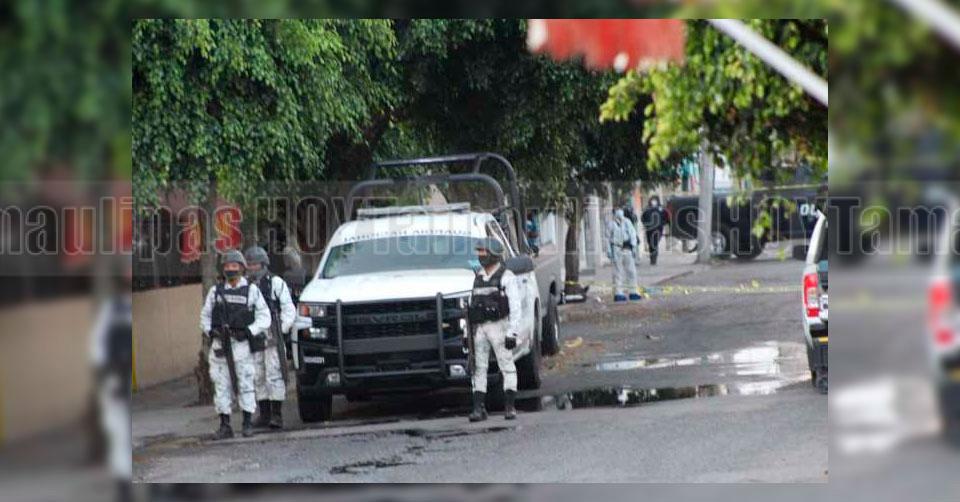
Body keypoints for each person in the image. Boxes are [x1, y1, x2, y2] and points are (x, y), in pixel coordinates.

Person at [200, 249, 271, 439]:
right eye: (227, 266)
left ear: (242, 268)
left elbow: (265, 317)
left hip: (241, 346)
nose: (231, 269)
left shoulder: (251, 290)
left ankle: (247, 424)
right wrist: (210, 331)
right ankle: (225, 425)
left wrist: (249, 331)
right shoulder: (215, 292)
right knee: (221, 385)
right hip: (220, 346)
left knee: (246, 382)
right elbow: (205, 316)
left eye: (234, 266)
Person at [467, 238, 524, 422]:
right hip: (480, 329)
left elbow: (515, 307)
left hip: (500, 326)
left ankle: (510, 407)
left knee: (506, 365)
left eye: (483, 252)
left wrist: (512, 332)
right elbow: (471, 307)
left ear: (493, 253)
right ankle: (478, 408)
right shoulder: (478, 277)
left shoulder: (506, 277)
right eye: (479, 252)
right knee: (478, 368)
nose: (480, 255)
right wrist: (467, 335)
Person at [244, 246, 296, 430]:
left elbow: (289, 310)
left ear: (263, 264)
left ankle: (276, 415)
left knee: (274, 374)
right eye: (249, 264)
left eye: (255, 264)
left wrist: (281, 330)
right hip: (254, 335)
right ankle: (264, 414)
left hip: (272, 333)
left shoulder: (276, 283)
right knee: (257, 375)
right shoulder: (244, 286)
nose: (252, 267)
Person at [607, 208, 642, 302]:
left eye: (620, 211)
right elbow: (607, 238)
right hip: (616, 248)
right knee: (617, 272)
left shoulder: (627, 222)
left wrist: (634, 247)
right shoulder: (611, 224)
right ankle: (618, 293)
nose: (619, 213)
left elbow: (633, 234)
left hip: (627, 248)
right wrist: (609, 250)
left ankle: (633, 292)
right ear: (614, 213)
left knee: (631, 271)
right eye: (617, 211)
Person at [641, 195, 669, 265]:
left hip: (658, 229)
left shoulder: (661, 209)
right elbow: (643, 217)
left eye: (655, 200)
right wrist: (646, 224)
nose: (653, 202)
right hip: (649, 229)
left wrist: (663, 223)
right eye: (652, 200)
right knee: (650, 243)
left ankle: (654, 258)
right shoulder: (647, 209)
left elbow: (666, 217)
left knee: (655, 243)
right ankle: (652, 257)